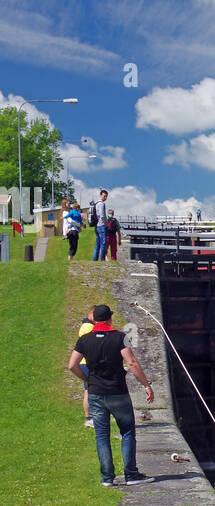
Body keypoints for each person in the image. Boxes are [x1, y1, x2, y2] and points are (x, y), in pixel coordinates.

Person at [67, 304, 155, 486]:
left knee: (101, 435)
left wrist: (86, 379)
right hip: (117, 391)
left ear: (94, 320)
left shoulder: (85, 339)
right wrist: (146, 385)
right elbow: (131, 363)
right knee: (128, 432)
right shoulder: (121, 337)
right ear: (109, 319)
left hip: (96, 392)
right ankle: (131, 474)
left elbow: (72, 365)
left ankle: (107, 478)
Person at [77, 308, 95, 426]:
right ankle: (90, 418)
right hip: (88, 362)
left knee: (88, 390)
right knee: (89, 391)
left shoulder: (85, 326)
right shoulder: (89, 327)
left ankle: (90, 417)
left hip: (84, 362)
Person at [92, 189, 109, 262]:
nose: (105, 198)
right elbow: (102, 216)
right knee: (103, 244)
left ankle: (95, 259)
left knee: (97, 244)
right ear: (100, 195)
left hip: (97, 226)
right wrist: (106, 224)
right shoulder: (101, 204)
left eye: (106, 196)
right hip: (101, 225)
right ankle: (102, 259)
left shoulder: (96, 204)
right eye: (104, 196)